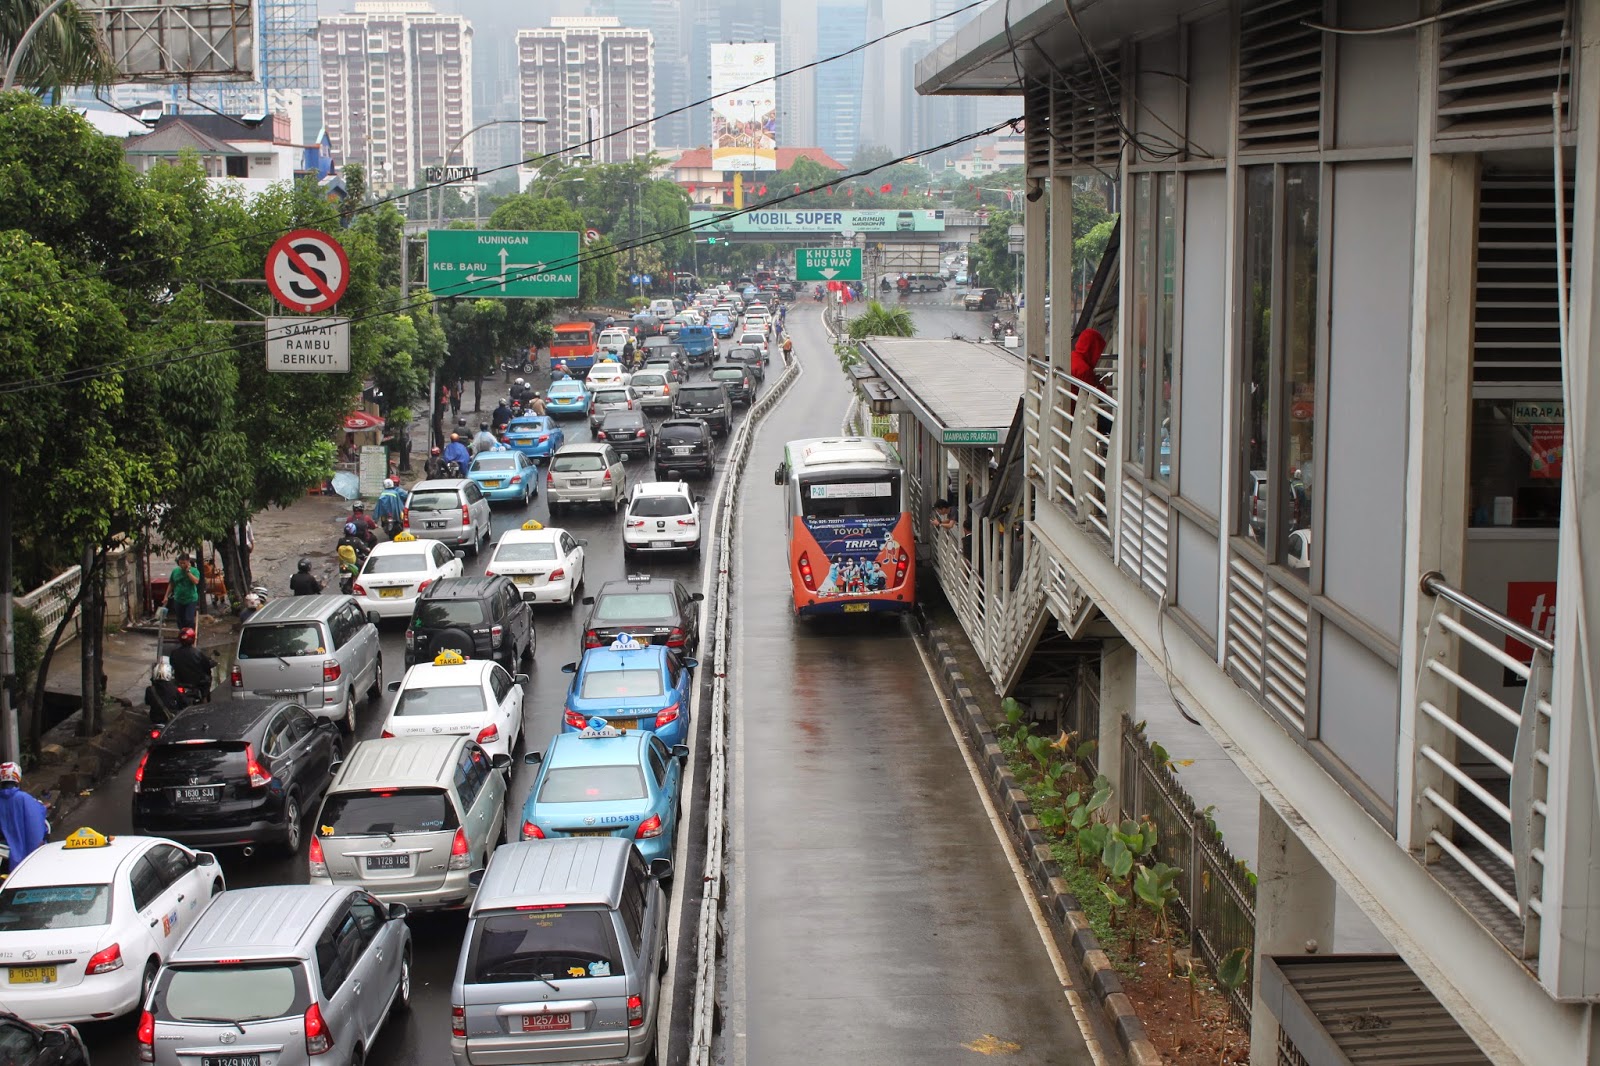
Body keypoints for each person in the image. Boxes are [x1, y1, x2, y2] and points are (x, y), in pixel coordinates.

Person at [0, 763, 49, 872]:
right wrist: (43, 807)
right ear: (17, 777)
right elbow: (35, 821)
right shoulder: (24, 798)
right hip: (22, 856)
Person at [171, 627, 215, 701]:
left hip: (180, 682)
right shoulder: (198, 653)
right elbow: (206, 667)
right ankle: (204, 699)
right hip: (196, 683)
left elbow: (172, 664)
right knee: (207, 680)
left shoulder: (174, 653)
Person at [167, 552, 202, 630]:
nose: (182, 565)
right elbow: (171, 584)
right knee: (180, 620)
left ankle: (191, 632)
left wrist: (188, 572)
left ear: (188, 562)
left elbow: (196, 581)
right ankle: (182, 633)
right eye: (180, 563)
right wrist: (166, 596)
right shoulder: (175, 571)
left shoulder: (194, 571)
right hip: (178, 599)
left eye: (184, 563)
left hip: (190, 599)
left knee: (189, 619)